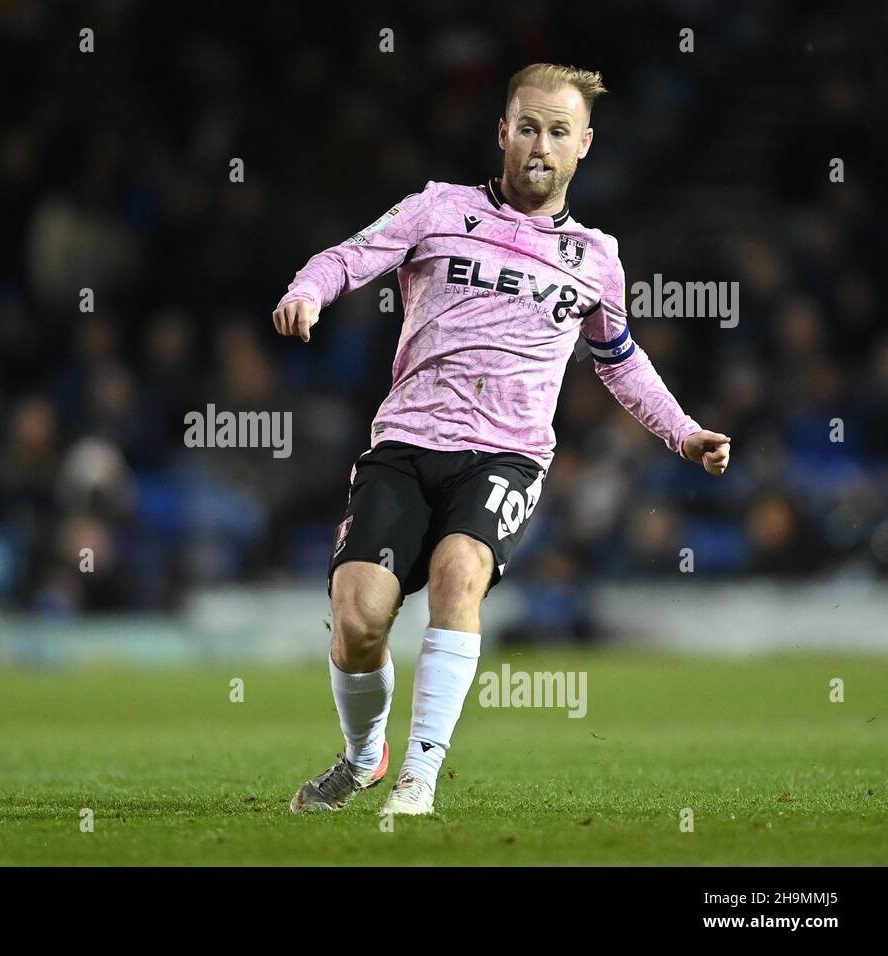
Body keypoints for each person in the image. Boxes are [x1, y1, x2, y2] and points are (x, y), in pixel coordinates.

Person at [272, 63, 732, 815]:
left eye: (558, 131)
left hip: (506, 456)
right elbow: (350, 255)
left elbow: (619, 362)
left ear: (584, 144)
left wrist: (683, 434)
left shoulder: (596, 257)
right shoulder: (437, 209)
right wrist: (307, 291)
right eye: (527, 128)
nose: (540, 146)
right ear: (502, 133)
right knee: (357, 623)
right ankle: (364, 758)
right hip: (406, 444)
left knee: (461, 574)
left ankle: (419, 778)